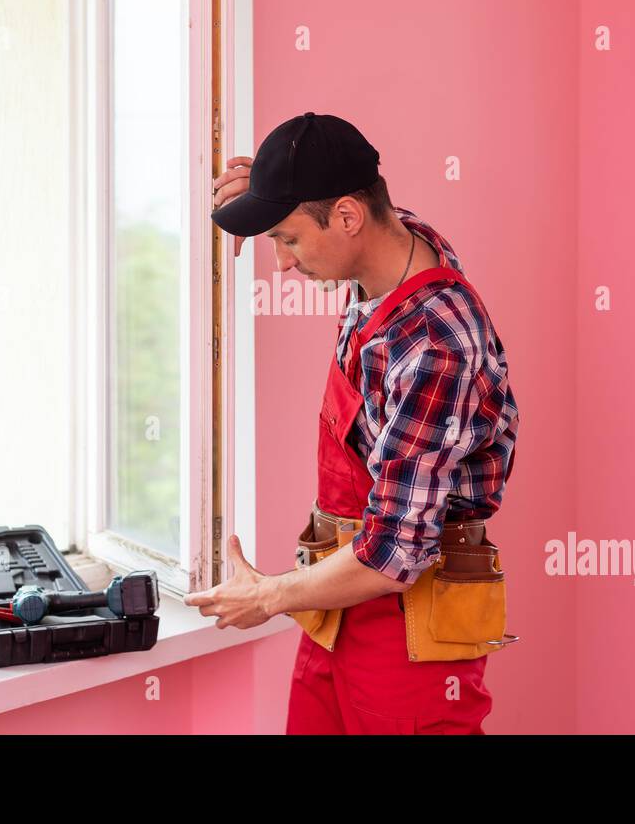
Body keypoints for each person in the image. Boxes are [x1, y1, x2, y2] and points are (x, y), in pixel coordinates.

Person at [184, 111, 519, 734]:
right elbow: (350, 190)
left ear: (346, 217)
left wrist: (266, 596)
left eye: (288, 239)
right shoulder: (394, 247)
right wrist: (271, 189)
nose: (283, 264)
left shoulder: (435, 344)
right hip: (334, 604)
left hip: (408, 627)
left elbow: (396, 553)